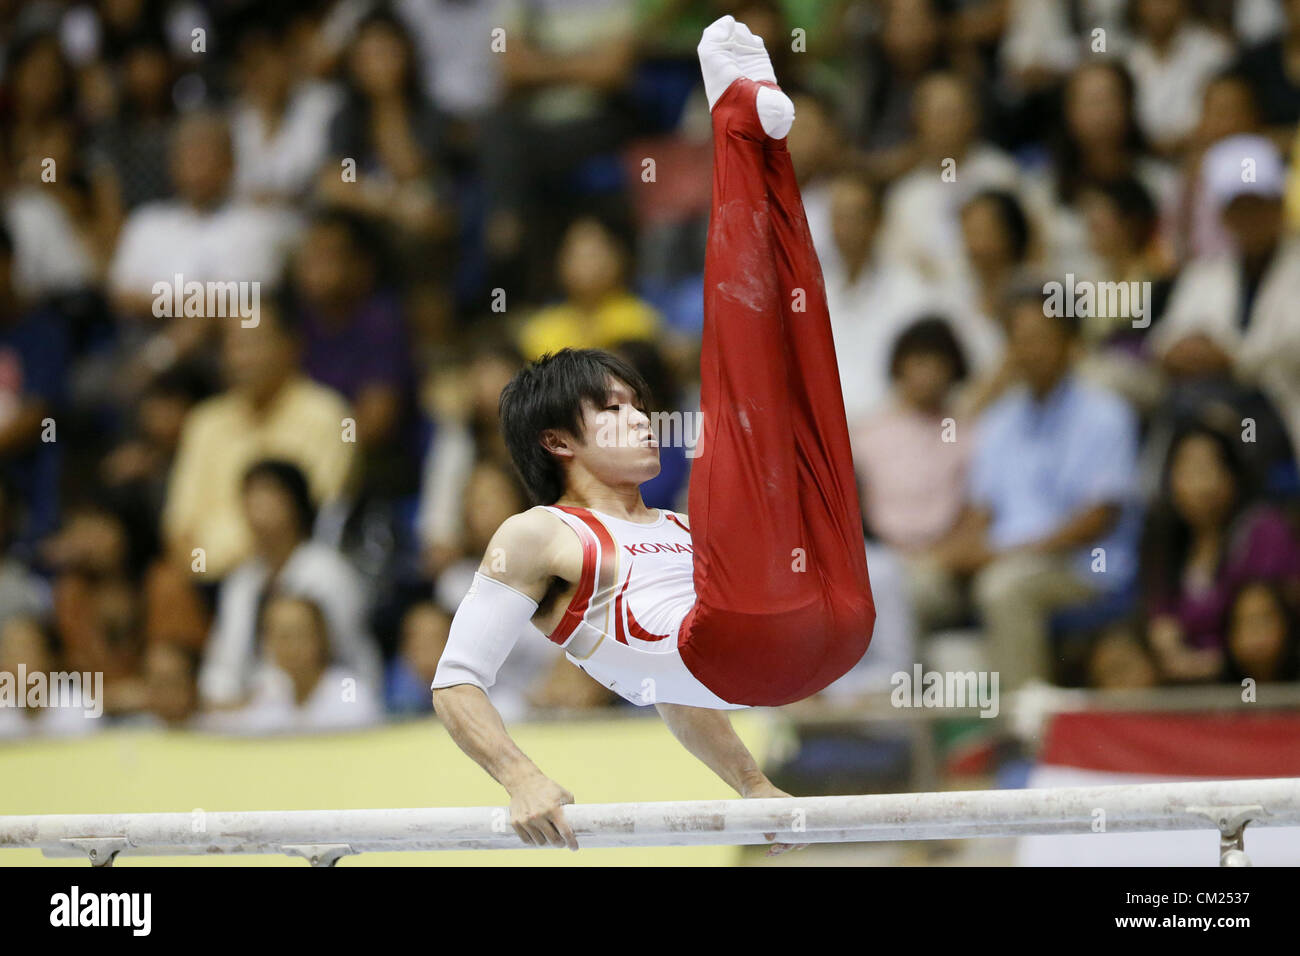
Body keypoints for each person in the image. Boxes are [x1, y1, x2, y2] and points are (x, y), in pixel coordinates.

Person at [431, 17, 874, 851]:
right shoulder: (537, 536)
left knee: (805, 379)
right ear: (558, 442)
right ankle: (733, 124)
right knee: (745, 385)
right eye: (612, 409)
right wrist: (520, 774)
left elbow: (675, 687)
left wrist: (753, 784)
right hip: (749, 633)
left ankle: (763, 143)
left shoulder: (677, 529)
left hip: (835, 627)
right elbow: (455, 683)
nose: (640, 418)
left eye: (637, 402)